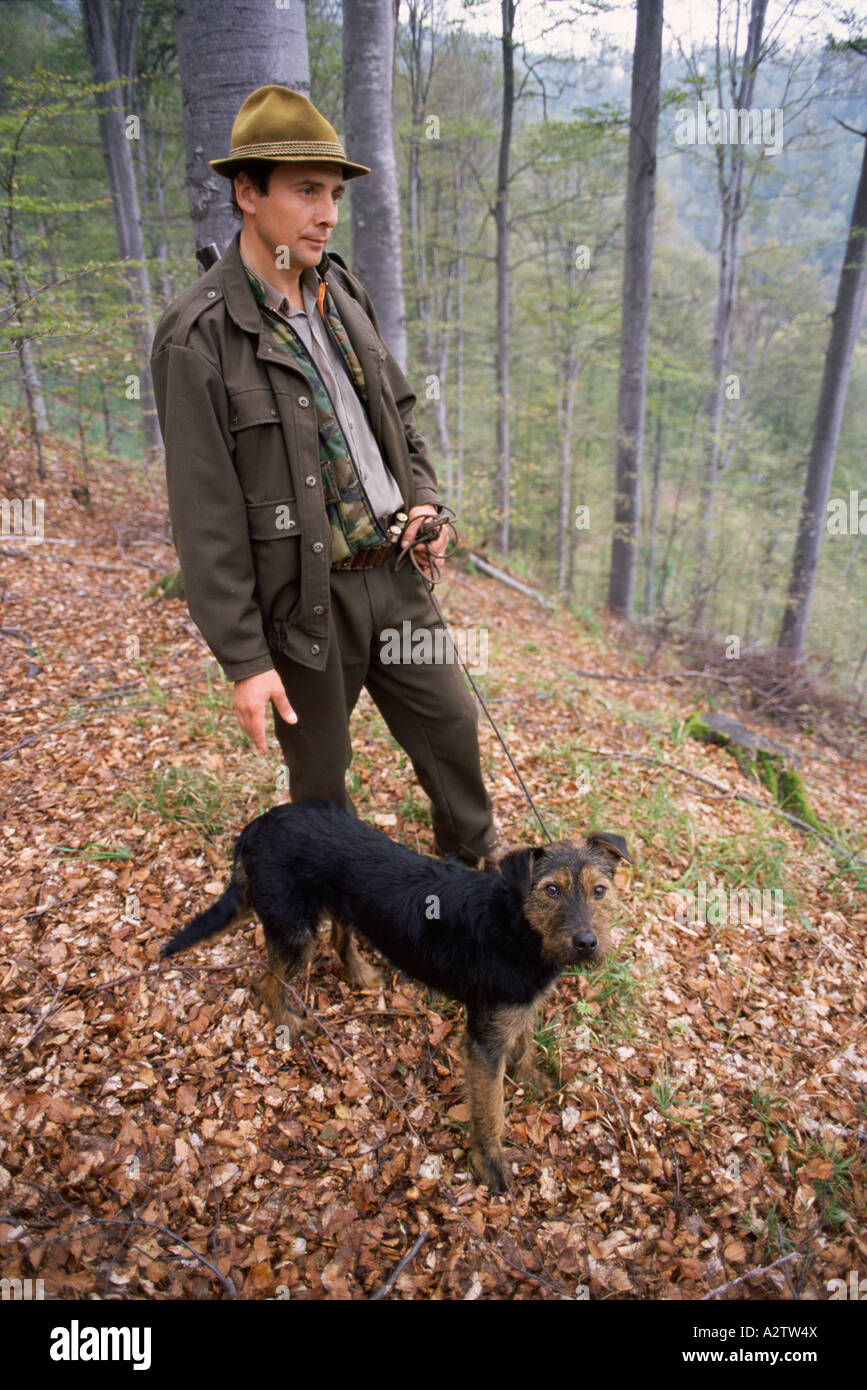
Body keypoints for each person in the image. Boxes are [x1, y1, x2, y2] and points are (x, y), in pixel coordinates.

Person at [151, 85, 498, 866]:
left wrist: (425, 504)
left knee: (451, 730)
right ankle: (341, 926)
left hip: (396, 574)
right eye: (306, 191)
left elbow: (398, 417)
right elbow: (203, 518)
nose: (328, 213)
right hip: (304, 602)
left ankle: (473, 887)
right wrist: (243, 658)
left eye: (333, 194)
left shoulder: (341, 291)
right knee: (321, 780)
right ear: (247, 192)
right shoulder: (198, 337)